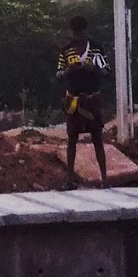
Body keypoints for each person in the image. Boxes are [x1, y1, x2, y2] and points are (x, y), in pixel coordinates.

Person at [56, 15, 110, 188]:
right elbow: (58, 73)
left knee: (97, 137)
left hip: (92, 98)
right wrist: (67, 72)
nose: (76, 35)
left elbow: (106, 71)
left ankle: (104, 179)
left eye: (79, 32)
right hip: (73, 100)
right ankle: (69, 179)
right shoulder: (66, 50)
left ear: (85, 31)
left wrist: (93, 69)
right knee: (72, 138)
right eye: (74, 32)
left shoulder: (96, 49)